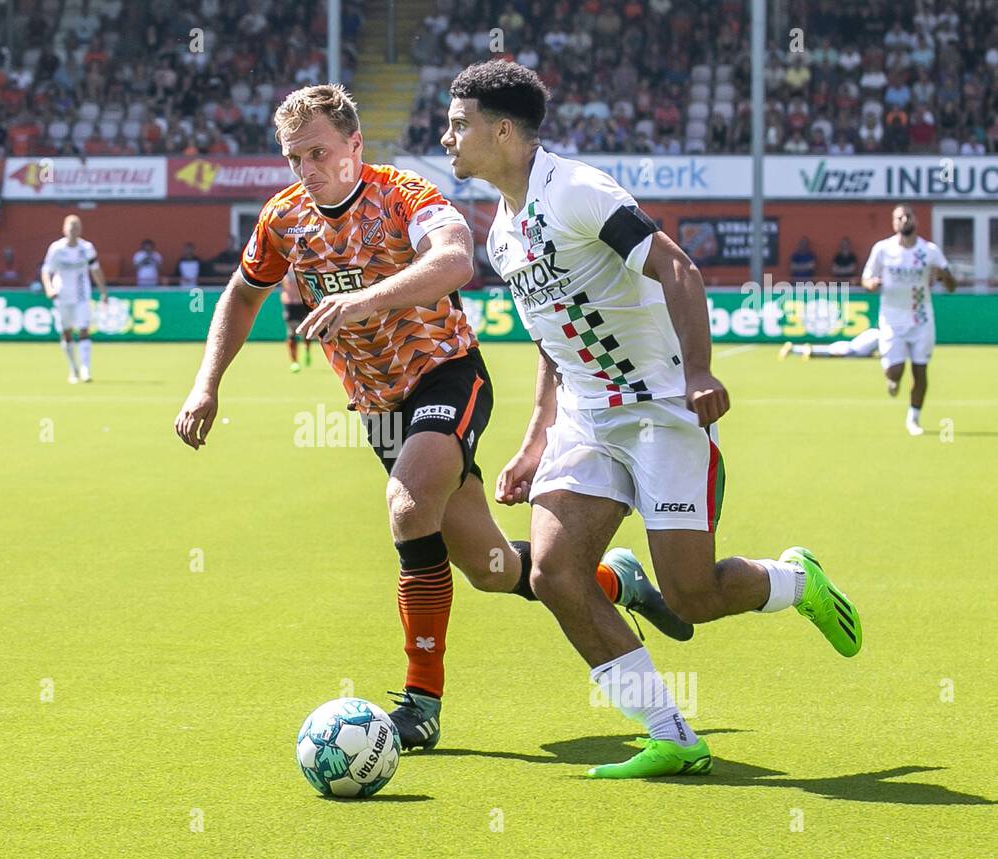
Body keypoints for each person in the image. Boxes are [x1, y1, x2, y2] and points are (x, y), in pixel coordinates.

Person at [175, 83, 690, 751]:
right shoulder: (283, 219)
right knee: (492, 568)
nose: (305, 168)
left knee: (408, 506)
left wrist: (364, 301)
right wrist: (205, 384)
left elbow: (453, 259)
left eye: (318, 152)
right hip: (377, 405)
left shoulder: (403, 194)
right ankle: (615, 580)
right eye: (293, 157)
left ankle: (421, 704)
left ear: (355, 145)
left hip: (447, 375)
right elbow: (242, 296)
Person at [442, 60, 862, 779]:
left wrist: (698, 371)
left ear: (503, 130)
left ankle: (796, 581)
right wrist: (537, 434)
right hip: (587, 420)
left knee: (691, 598)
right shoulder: (501, 235)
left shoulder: (576, 191)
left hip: (661, 412)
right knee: (551, 574)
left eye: (459, 125)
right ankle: (672, 735)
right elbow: (551, 337)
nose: (446, 138)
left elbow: (679, 269)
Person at [861, 205, 957, 435]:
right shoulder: (883, 249)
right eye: (899, 217)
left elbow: (952, 286)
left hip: (920, 318)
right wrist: (871, 284)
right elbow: (866, 278)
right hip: (892, 319)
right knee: (895, 371)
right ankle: (892, 380)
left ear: (916, 220)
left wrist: (944, 277)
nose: (904, 219)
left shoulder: (929, 251)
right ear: (894, 223)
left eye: (908, 216)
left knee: (920, 371)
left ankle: (913, 418)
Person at [42, 214, 108, 384]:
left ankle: (86, 369)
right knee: (66, 333)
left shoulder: (87, 248)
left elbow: (95, 270)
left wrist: (103, 291)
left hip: (81, 295)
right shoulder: (56, 249)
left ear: (80, 230)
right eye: (71, 229)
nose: (73, 232)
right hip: (62, 295)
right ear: (64, 230)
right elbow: (46, 271)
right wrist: (49, 287)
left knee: (84, 329)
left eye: (77, 228)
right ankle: (73, 368)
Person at [279, 268, 313, 371]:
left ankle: (306, 349)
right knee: (291, 333)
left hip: (303, 303)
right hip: (290, 304)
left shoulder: (303, 266)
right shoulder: (284, 268)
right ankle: (294, 362)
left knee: (307, 333)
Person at [779, 326, 881, 360]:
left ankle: (793, 349)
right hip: (848, 349)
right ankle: (793, 348)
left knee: (821, 353)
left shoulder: (873, 331)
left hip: (847, 346)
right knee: (821, 352)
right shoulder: (880, 335)